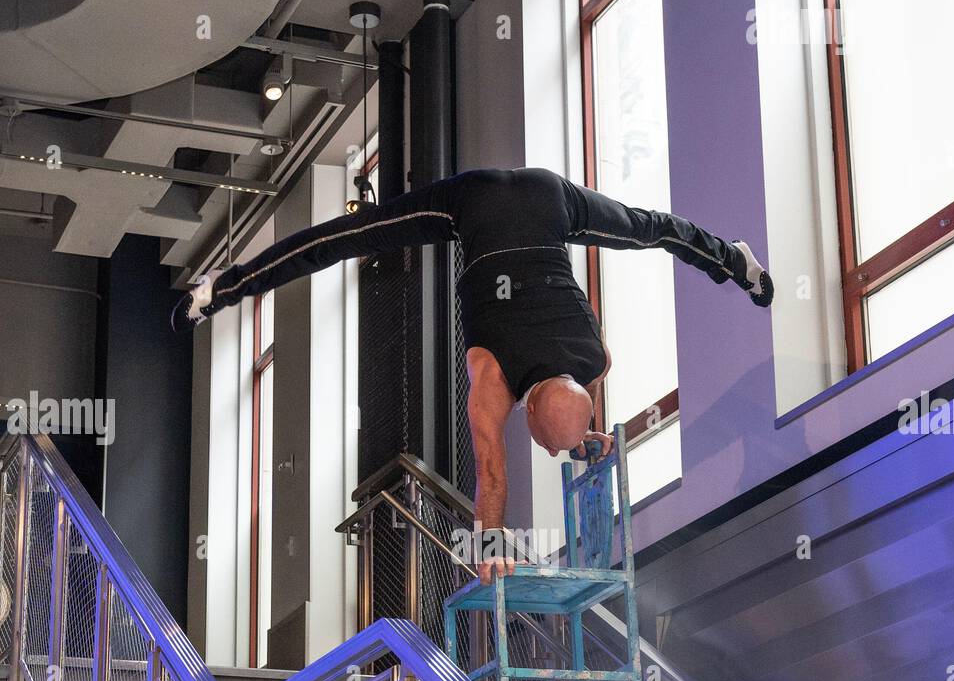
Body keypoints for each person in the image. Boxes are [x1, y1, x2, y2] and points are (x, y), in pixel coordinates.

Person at [172, 167, 772, 580]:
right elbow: (491, 476)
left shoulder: (592, 357)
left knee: (650, 228)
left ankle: (734, 259)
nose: (540, 449)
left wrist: (583, 429)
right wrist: (490, 550)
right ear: (527, 415)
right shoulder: (494, 379)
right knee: (351, 234)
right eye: (545, 441)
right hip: (476, 203)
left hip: (548, 197)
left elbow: (581, 387)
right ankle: (222, 287)